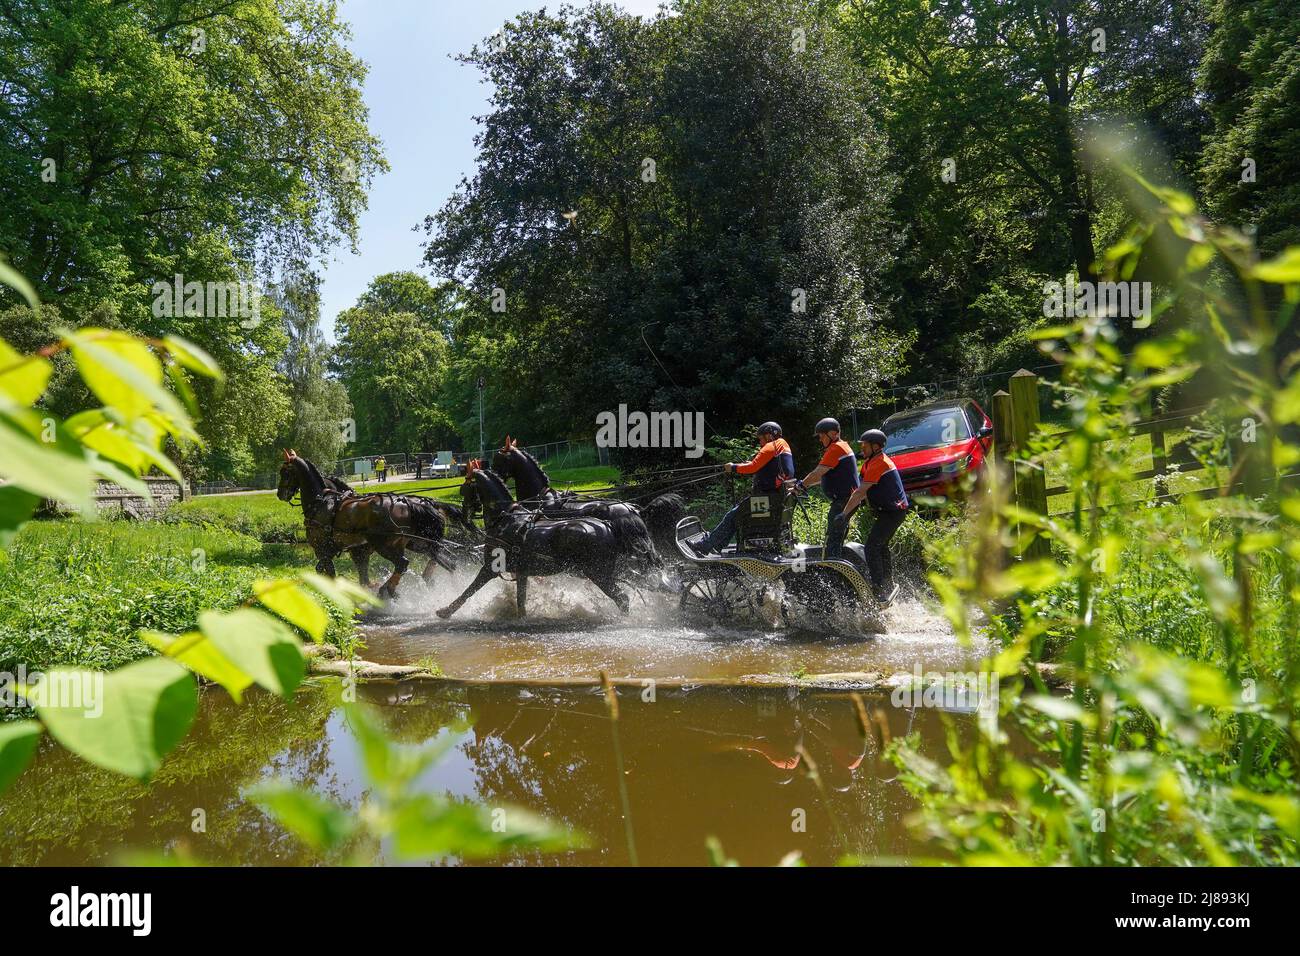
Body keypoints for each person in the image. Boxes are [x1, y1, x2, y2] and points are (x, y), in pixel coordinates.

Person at [831, 428, 909, 602]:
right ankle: (887, 582)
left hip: (892, 513)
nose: (862, 448)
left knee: (872, 547)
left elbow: (860, 493)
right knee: (880, 546)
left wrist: (843, 515)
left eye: (865, 445)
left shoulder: (879, 462)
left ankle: (879, 589)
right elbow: (860, 492)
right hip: (888, 512)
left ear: (876, 446)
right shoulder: (869, 462)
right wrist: (847, 513)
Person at [693, 422, 794, 555]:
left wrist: (733, 467)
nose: (760, 442)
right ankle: (716, 545)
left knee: (734, 515)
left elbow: (753, 467)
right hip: (775, 498)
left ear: (769, 435)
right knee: (736, 516)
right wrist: (749, 465)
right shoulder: (783, 446)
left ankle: (706, 545)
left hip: (767, 498)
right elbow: (768, 467)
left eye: (761, 438)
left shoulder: (772, 445)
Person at [793, 418, 859, 560]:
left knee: (832, 539)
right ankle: (837, 566)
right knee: (836, 537)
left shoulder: (836, 448)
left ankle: (833, 572)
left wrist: (800, 486)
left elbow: (818, 472)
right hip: (846, 500)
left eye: (822, 436)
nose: (820, 439)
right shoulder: (841, 447)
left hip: (843, 501)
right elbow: (822, 476)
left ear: (833, 434)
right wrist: (805, 484)